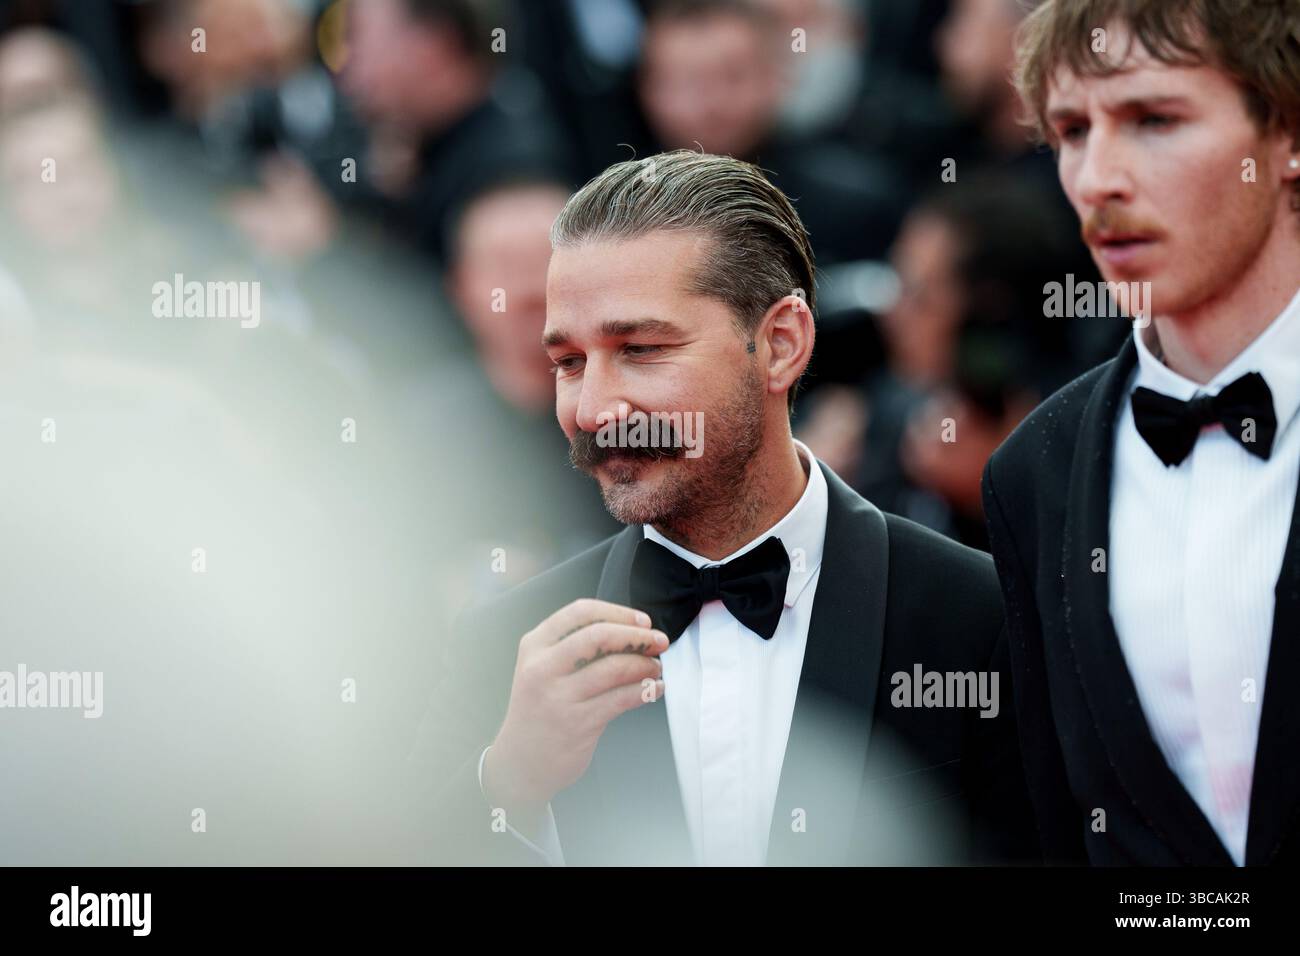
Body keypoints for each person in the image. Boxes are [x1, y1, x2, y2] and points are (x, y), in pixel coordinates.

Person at [408, 149, 1036, 866]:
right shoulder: (505, 647)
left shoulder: (979, 617)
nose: (593, 408)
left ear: (779, 345)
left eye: (641, 349)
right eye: (570, 364)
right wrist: (510, 784)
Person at [983, 0, 1300, 865]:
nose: (1098, 178)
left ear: (1287, 136)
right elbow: (1059, 829)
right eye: (1073, 130)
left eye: (1154, 119)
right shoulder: (1032, 471)